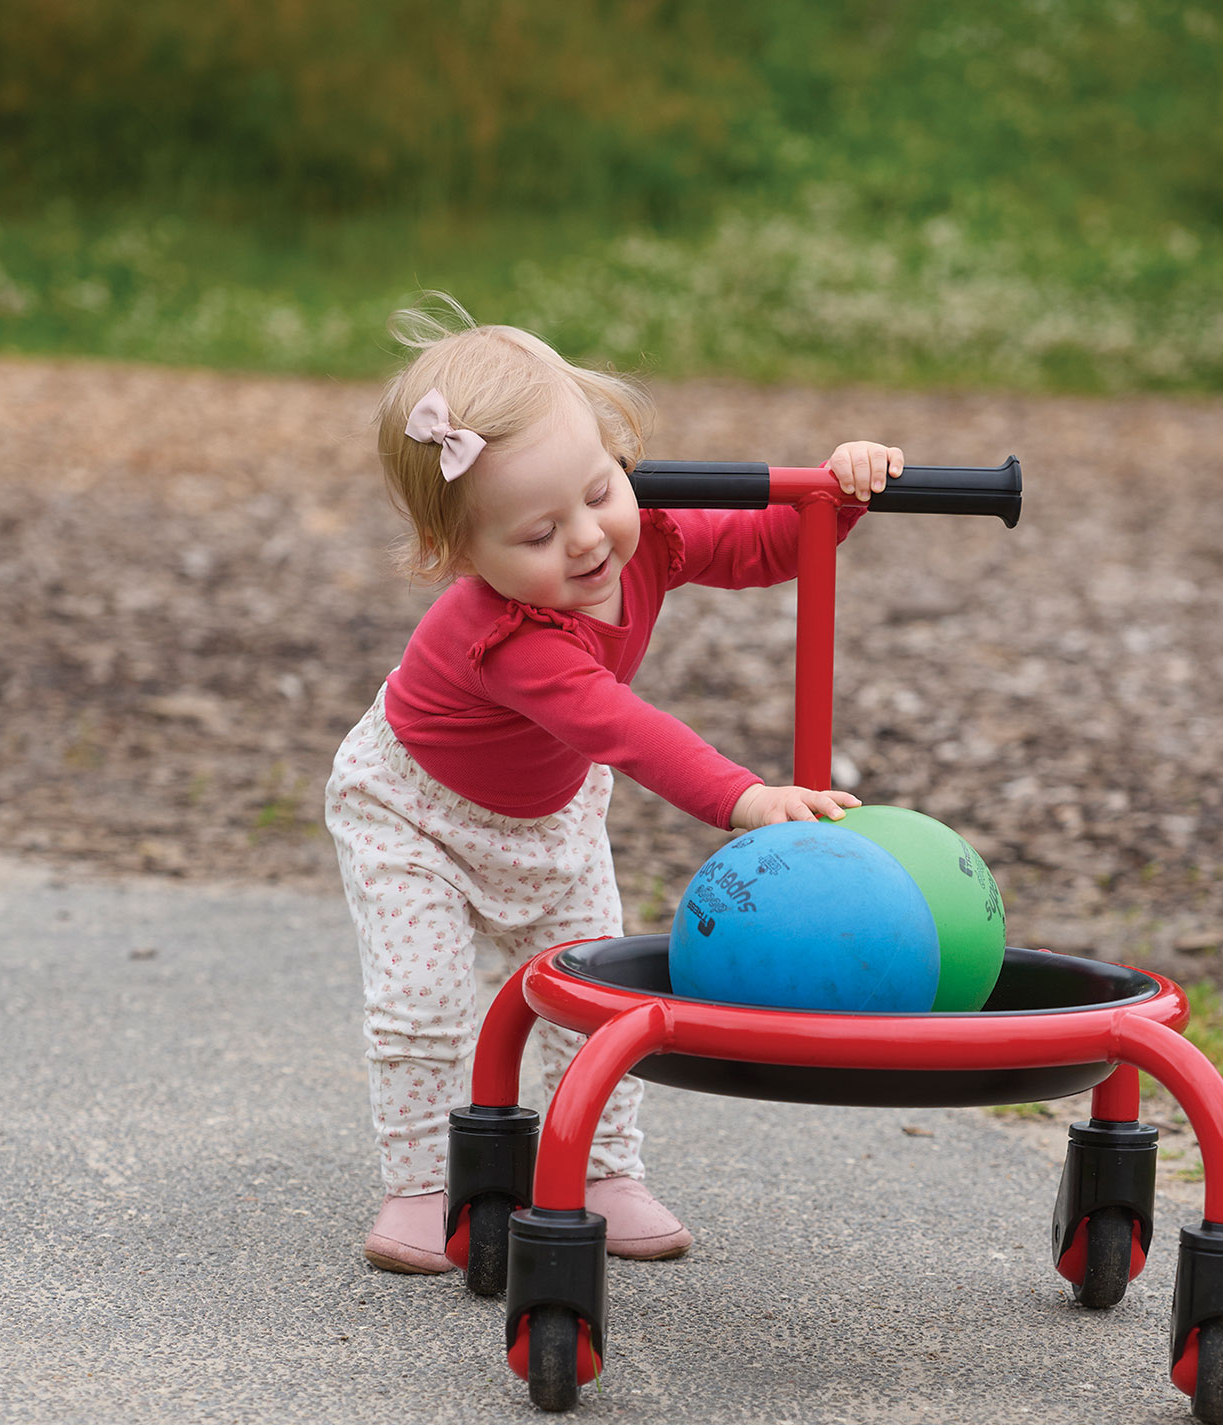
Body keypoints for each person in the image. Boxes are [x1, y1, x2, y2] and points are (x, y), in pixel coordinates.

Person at [326, 297, 901, 1273]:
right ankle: (423, 1186)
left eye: (599, 492)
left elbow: (769, 547)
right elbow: (619, 727)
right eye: (538, 533)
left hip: (550, 818)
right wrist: (744, 799)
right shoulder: (503, 637)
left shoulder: (647, 536)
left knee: (595, 992)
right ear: (460, 557)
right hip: (413, 815)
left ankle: (602, 1169)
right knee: (423, 1001)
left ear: (619, 457)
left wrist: (835, 498)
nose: (588, 541)